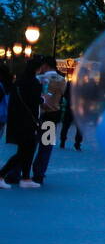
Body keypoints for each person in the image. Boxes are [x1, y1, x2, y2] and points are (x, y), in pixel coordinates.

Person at [0, 57, 42, 189]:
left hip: (17, 121)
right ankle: (4, 174)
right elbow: (34, 102)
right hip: (29, 122)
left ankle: (25, 177)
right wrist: (42, 100)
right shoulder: (34, 83)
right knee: (25, 151)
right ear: (37, 68)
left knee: (25, 150)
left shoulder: (18, 82)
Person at [26, 56, 66, 188]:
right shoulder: (62, 80)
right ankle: (39, 174)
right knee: (46, 146)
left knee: (30, 145)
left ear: (46, 65)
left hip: (38, 115)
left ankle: (22, 172)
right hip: (53, 115)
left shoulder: (40, 79)